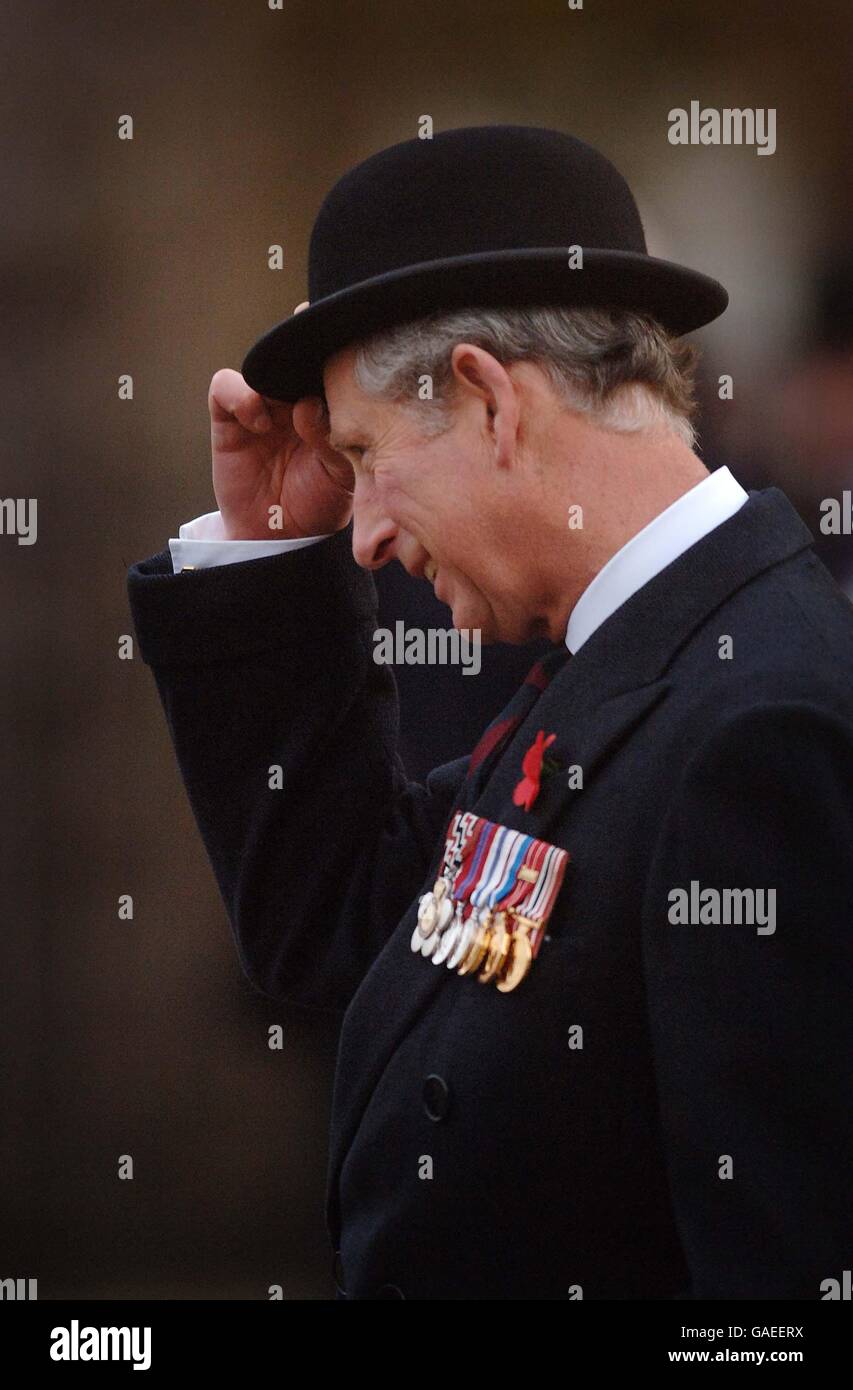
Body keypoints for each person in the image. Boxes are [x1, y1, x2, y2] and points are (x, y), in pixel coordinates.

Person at [127, 126, 853, 1299]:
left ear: (487, 402)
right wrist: (265, 555)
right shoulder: (631, 659)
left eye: (361, 454)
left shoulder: (755, 725)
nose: (359, 533)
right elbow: (348, 928)